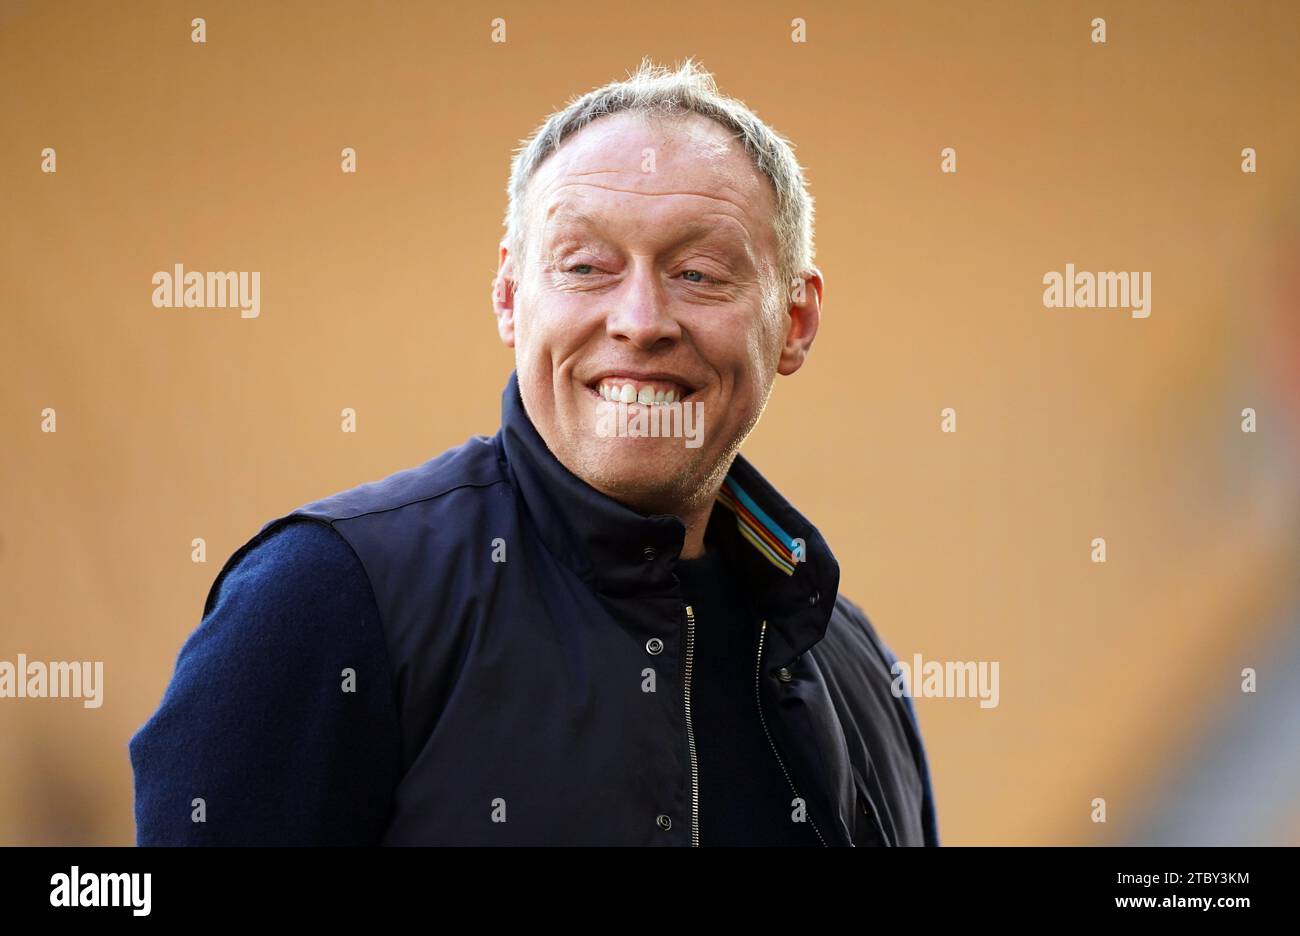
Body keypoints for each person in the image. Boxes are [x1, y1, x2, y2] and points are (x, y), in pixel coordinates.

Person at [129, 57, 939, 846]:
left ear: (795, 321)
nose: (641, 321)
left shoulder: (849, 658)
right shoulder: (326, 601)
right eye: (586, 266)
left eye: (698, 273)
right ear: (511, 297)